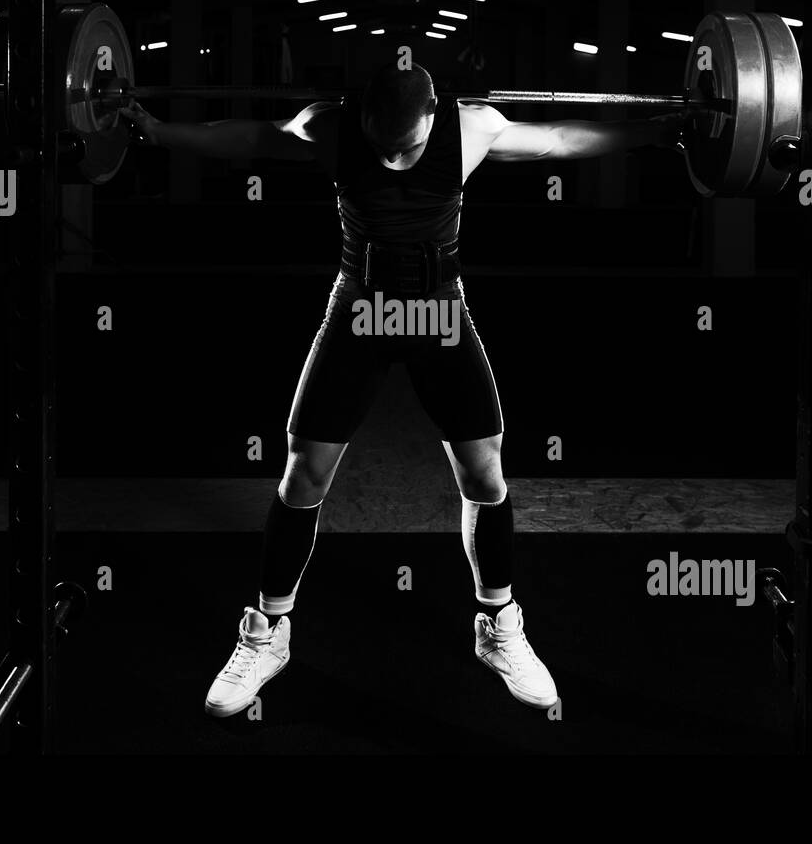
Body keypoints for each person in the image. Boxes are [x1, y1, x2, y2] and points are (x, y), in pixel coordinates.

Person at [120, 65, 683, 718]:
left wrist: (651, 132)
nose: (392, 157)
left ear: (434, 114)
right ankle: (269, 633)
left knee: (486, 468)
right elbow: (245, 138)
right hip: (359, 310)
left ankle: (499, 625)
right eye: (381, 145)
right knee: (303, 472)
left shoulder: (471, 129)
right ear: (361, 116)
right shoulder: (328, 127)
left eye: (407, 147)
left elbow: (558, 137)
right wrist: (159, 133)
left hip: (439, 312)